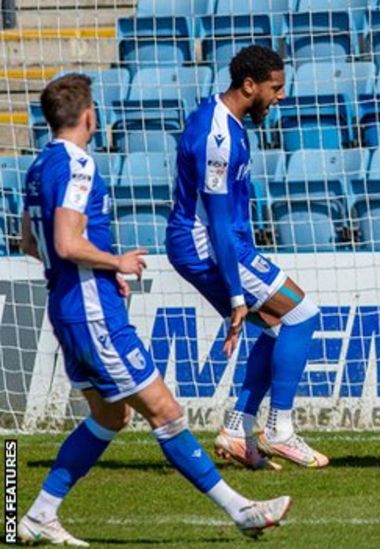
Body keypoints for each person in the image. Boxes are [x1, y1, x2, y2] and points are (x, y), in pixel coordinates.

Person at [17, 73, 290, 546]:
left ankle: (40, 514)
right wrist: (114, 263)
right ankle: (242, 510)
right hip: (94, 313)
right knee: (165, 412)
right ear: (88, 115)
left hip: (68, 309)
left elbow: (30, 242)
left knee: (111, 418)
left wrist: (97, 271)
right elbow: (64, 241)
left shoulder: (38, 166)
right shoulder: (78, 165)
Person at [166, 45, 327, 469]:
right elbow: (217, 220)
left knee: (276, 331)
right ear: (249, 85)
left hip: (219, 241)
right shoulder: (218, 137)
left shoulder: (228, 121)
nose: (280, 97)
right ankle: (279, 430)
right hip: (207, 243)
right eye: (275, 88)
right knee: (303, 314)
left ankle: (237, 430)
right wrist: (237, 296)